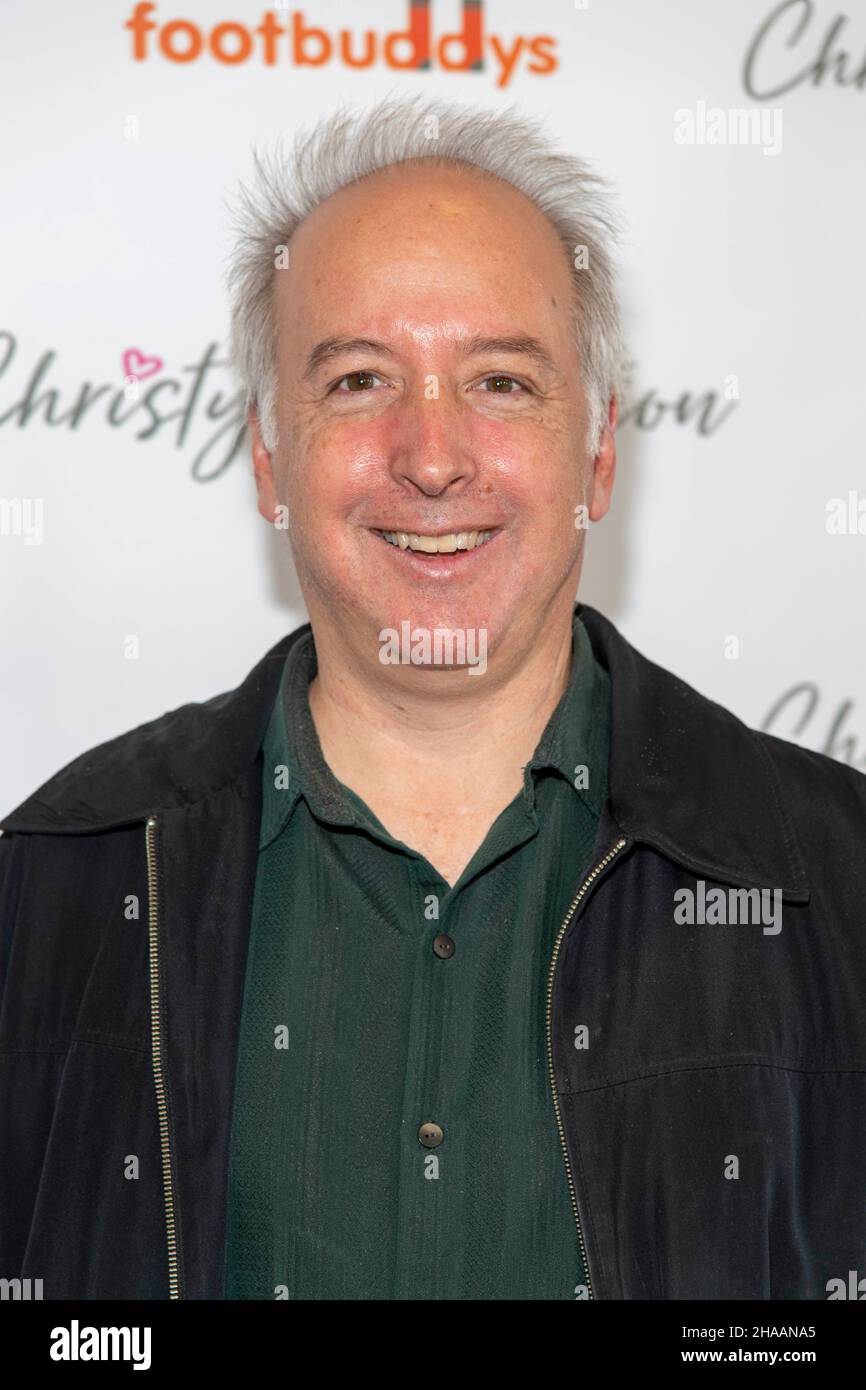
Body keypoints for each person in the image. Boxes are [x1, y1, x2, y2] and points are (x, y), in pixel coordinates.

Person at [1, 94, 864, 1302]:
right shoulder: (56, 881)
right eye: (358, 380)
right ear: (267, 456)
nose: (432, 454)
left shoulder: (833, 877)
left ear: (600, 451)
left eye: (501, 383)